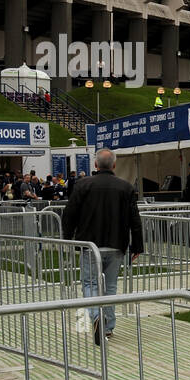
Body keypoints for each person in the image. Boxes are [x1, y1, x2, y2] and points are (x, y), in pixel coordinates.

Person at [62, 148, 144, 345]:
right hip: (116, 244)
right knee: (110, 286)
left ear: (95, 165)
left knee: (90, 283)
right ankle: (107, 326)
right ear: (114, 165)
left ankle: (95, 315)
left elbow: (69, 214)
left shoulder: (83, 185)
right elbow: (135, 219)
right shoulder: (125, 187)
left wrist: (69, 238)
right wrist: (137, 246)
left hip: (90, 244)